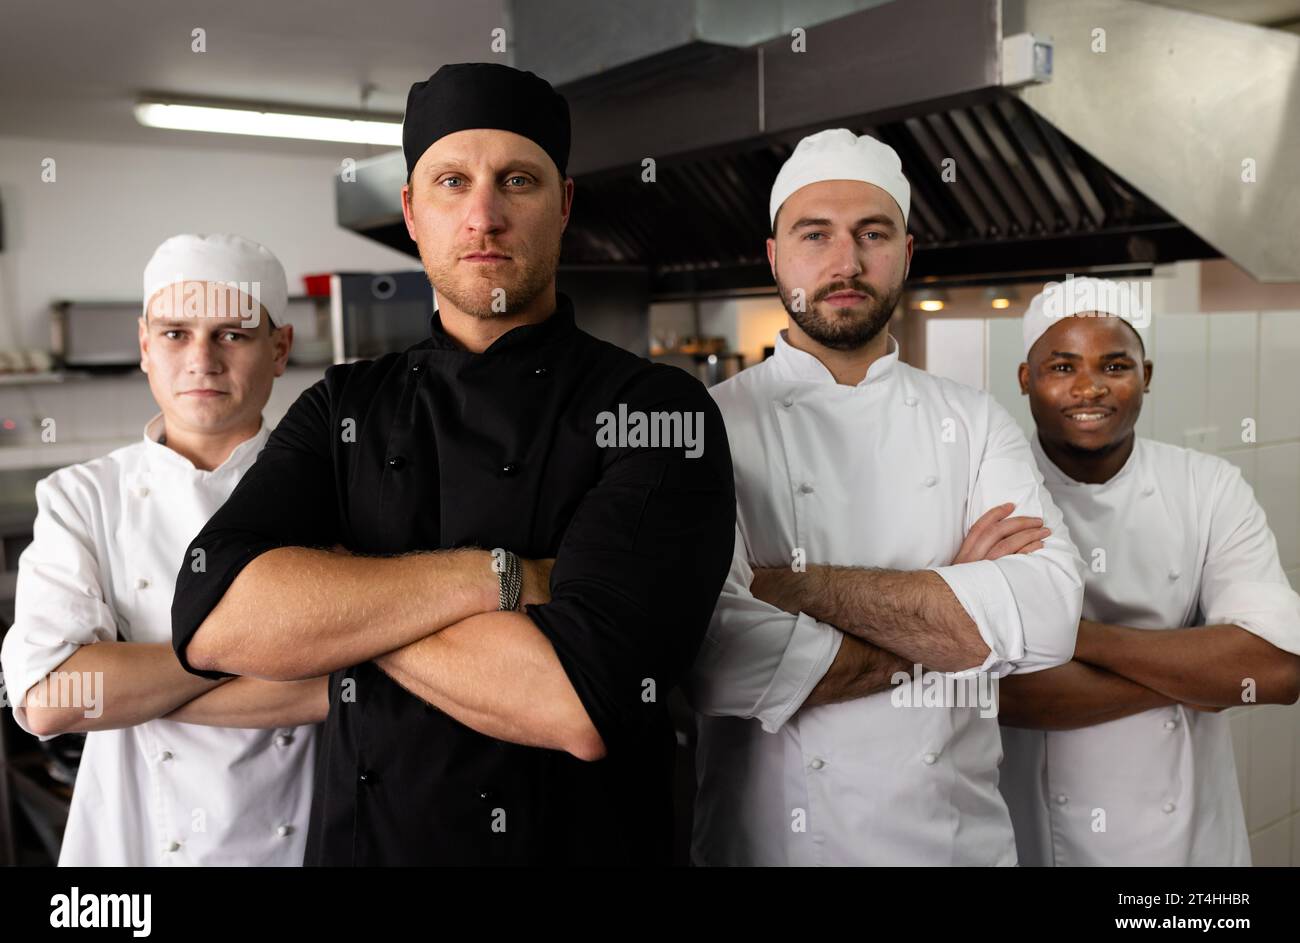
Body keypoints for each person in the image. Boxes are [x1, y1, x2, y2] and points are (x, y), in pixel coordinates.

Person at [169, 63, 736, 866]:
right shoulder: (343, 407)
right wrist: (502, 578)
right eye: (450, 181)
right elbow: (212, 618)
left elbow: (576, 702)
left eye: (517, 180)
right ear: (410, 211)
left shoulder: (657, 411)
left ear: (565, 205)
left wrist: (336, 601)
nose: (484, 215)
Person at [684, 129, 1084, 865]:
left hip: (956, 847)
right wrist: (961, 615)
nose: (846, 263)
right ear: (774, 257)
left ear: (906, 253)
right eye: (817, 235)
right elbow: (717, 657)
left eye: (873, 234)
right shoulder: (707, 426)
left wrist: (791, 587)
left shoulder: (973, 418)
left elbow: (1051, 616)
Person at [0, 233, 324, 865]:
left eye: (232, 334)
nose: (202, 360)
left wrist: (136, 684)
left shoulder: (337, 488)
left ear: (280, 348)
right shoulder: (83, 498)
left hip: (306, 839)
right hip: (143, 846)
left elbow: (358, 690)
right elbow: (48, 700)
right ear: (145, 346)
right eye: (176, 334)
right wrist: (265, 658)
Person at [997, 277, 1300, 866]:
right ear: (1026, 379)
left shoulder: (1207, 486)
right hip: (1031, 837)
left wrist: (1067, 635)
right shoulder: (988, 491)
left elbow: (1277, 671)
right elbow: (1007, 696)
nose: (1089, 387)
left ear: (1147, 376)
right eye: (1062, 367)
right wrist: (1195, 674)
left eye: (1115, 365)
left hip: (1184, 846)